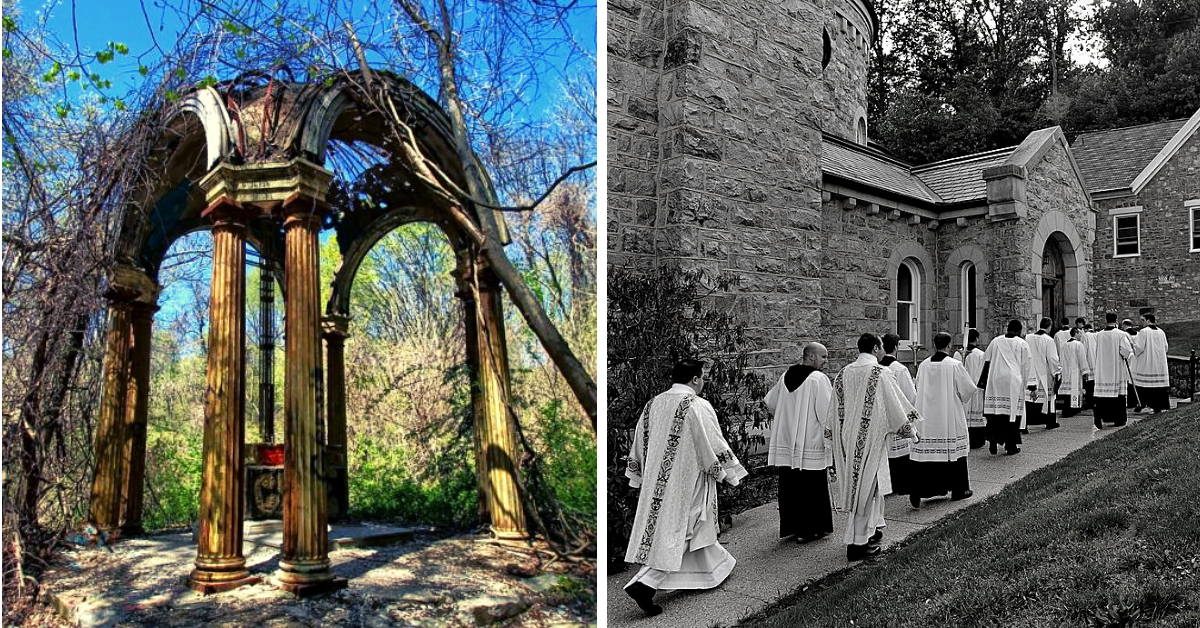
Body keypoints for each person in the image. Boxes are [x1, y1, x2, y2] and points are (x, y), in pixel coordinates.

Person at [624, 359, 749, 616]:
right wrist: (730, 474)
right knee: (686, 530)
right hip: (687, 480)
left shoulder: (652, 405)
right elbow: (712, 441)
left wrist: (638, 477)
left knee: (682, 529)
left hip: (656, 483)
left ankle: (708, 573)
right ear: (694, 379)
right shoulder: (696, 405)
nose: (703, 382)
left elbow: (638, 442)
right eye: (702, 377)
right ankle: (645, 584)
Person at [825, 334, 922, 561]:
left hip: (845, 439)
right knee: (865, 490)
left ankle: (871, 530)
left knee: (867, 488)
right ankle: (857, 544)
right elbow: (895, 406)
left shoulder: (842, 374)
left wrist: (832, 437)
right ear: (877, 348)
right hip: (869, 439)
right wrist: (911, 432)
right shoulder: (880, 373)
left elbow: (833, 409)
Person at [764, 342, 834, 543]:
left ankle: (794, 527)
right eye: (823, 357)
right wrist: (832, 438)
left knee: (791, 486)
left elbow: (771, 403)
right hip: (809, 443)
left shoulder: (785, 376)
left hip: (788, 443)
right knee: (812, 488)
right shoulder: (818, 379)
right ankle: (811, 530)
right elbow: (826, 414)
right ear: (811, 357)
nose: (826, 361)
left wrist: (789, 420)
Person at [909, 332, 977, 507]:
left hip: (927, 418)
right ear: (948, 346)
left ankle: (918, 491)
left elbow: (917, 386)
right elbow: (968, 389)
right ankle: (958, 489)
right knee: (952, 452)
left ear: (934, 345)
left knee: (926, 454)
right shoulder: (954, 365)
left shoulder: (923, 365)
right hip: (948, 416)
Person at [980, 319, 1035, 455]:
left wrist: (982, 381)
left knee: (995, 412)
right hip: (1012, 382)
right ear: (1019, 331)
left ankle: (993, 440)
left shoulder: (995, 341)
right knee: (1011, 414)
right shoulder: (1022, 344)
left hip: (995, 379)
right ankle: (1010, 446)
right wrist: (1032, 386)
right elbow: (1027, 365)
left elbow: (986, 360)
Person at [880, 333, 917, 496]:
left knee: (887, 452)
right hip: (898, 416)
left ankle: (887, 484)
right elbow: (911, 396)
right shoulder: (900, 369)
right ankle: (901, 485)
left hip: (882, 417)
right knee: (901, 453)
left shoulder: (877, 368)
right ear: (896, 347)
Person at [1091, 313, 1134, 429]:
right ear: (1116, 321)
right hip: (1116, 370)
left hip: (1102, 369)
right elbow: (1126, 351)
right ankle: (1118, 419)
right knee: (1118, 397)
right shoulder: (1121, 334)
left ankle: (1099, 416)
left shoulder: (1098, 335)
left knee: (1102, 395)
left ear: (1106, 320)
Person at [953, 328, 987, 449]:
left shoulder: (957, 354)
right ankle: (977, 441)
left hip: (962, 390)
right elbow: (984, 373)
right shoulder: (980, 355)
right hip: (976, 389)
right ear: (977, 339)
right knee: (976, 414)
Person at [1026, 317, 1061, 430]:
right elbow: (1052, 359)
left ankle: (1026, 422)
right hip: (1044, 375)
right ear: (1049, 327)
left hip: (1030, 373)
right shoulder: (1049, 340)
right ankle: (1049, 422)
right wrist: (1057, 371)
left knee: (1029, 399)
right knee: (1048, 398)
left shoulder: (1028, 337)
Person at [1132, 313, 1170, 413]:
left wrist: (1133, 346)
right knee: (1158, 387)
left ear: (1148, 320)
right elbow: (1166, 347)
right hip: (1159, 364)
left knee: (1146, 386)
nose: (1142, 323)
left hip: (1147, 364)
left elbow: (1139, 348)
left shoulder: (1144, 332)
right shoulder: (1161, 332)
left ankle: (1146, 404)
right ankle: (1158, 407)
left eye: (1143, 320)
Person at [1057, 327, 1092, 417]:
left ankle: (1067, 409)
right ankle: (1072, 409)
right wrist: (1085, 371)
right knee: (1074, 391)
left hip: (1066, 371)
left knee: (1068, 392)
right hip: (1075, 371)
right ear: (1076, 333)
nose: (1081, 335)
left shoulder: (1064, 345)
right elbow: (1082, 359)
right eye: (1080, 333)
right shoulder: (1078, 345)